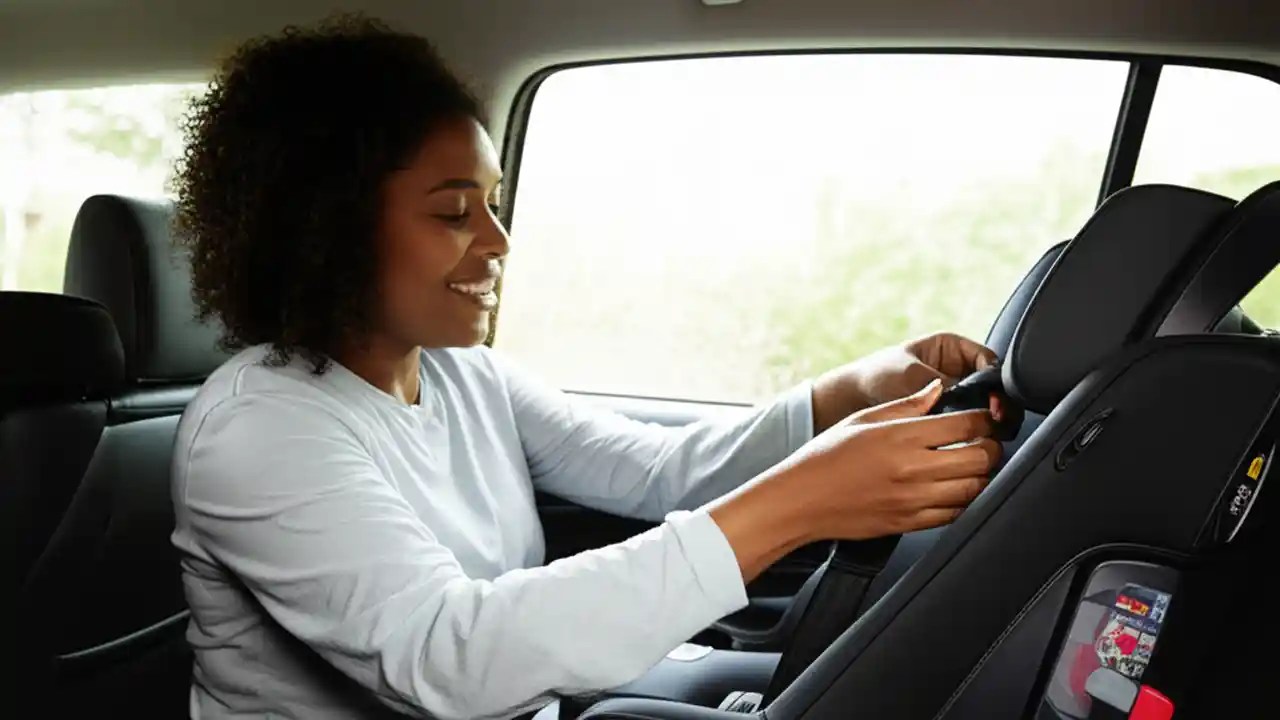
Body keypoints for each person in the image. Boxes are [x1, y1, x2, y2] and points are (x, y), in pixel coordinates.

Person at [169, 14, 1003, 720]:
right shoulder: (256, 428)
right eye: (455, 212)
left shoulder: (465, 377)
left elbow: (660, 470)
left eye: (493, 205)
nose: (497, 242)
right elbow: (445, 658)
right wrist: (801, 503)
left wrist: (849, 393)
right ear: (327, 229)